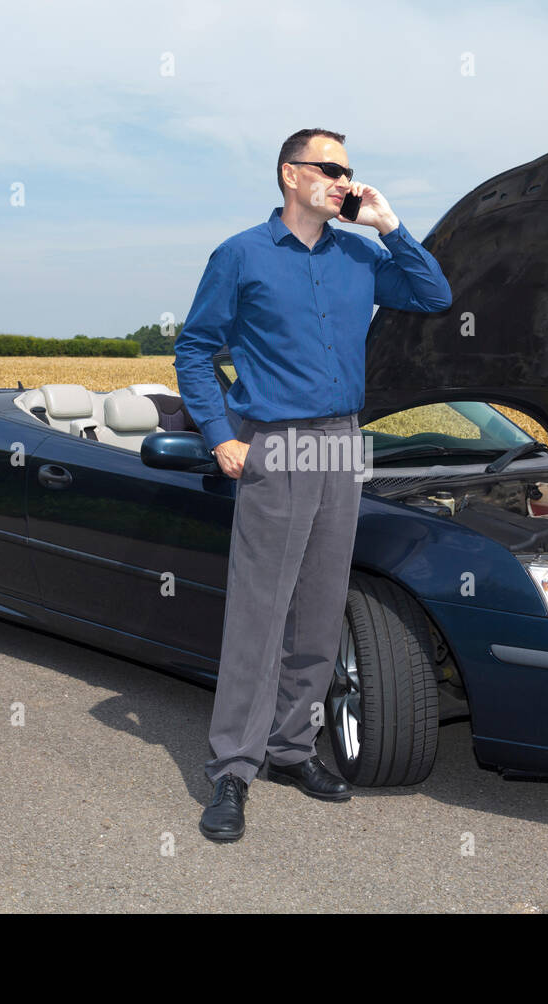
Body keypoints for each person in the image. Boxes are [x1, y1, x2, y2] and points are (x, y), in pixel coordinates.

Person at [174, 128, 452, 842]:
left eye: (350, 171)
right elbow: (196, 348)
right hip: (277, 443)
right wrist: (221, 437)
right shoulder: (241, 255)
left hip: (342, 442)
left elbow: (433, 293)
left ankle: (292, 748)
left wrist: (389, 225)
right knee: (260, 615)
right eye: (332, 169)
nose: (345, 180)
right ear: (292, 175)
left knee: (322, 613)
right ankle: (232, 770)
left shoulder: (358, 254)